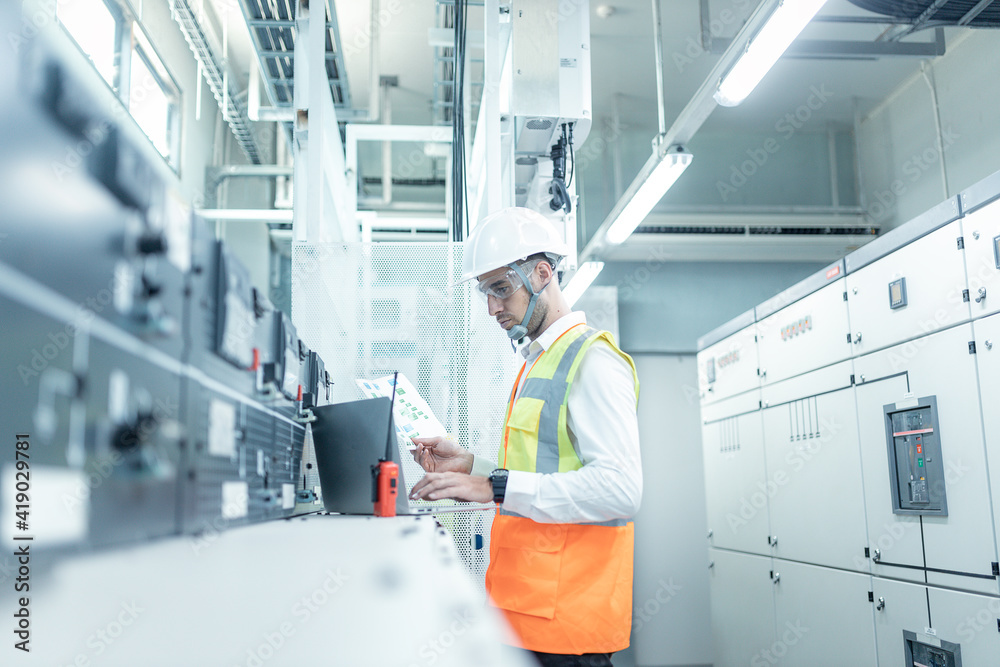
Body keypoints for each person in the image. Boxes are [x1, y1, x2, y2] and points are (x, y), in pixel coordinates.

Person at [409, 207, 642, 667]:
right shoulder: (538, 362)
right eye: (486, 292)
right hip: (524, 615)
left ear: (541, 274)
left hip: (569, 624)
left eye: (501, 288)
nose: (493, 307)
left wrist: (493, 486)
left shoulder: (592, 361)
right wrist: (472, 466)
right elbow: (541, 469)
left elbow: (621, 489)